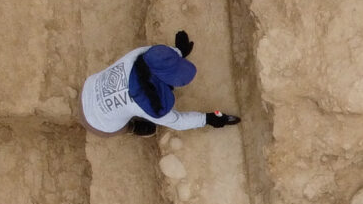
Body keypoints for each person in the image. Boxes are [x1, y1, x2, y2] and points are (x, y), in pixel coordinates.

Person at [81, 33, 242, 137]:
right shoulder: (151, 106)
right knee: (121, 127)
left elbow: (155, 55)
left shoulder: (136, 56)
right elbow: (177, 121)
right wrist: (207, 119)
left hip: (87, 89)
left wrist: (177, 52)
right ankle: (134, 128)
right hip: (98, 124)